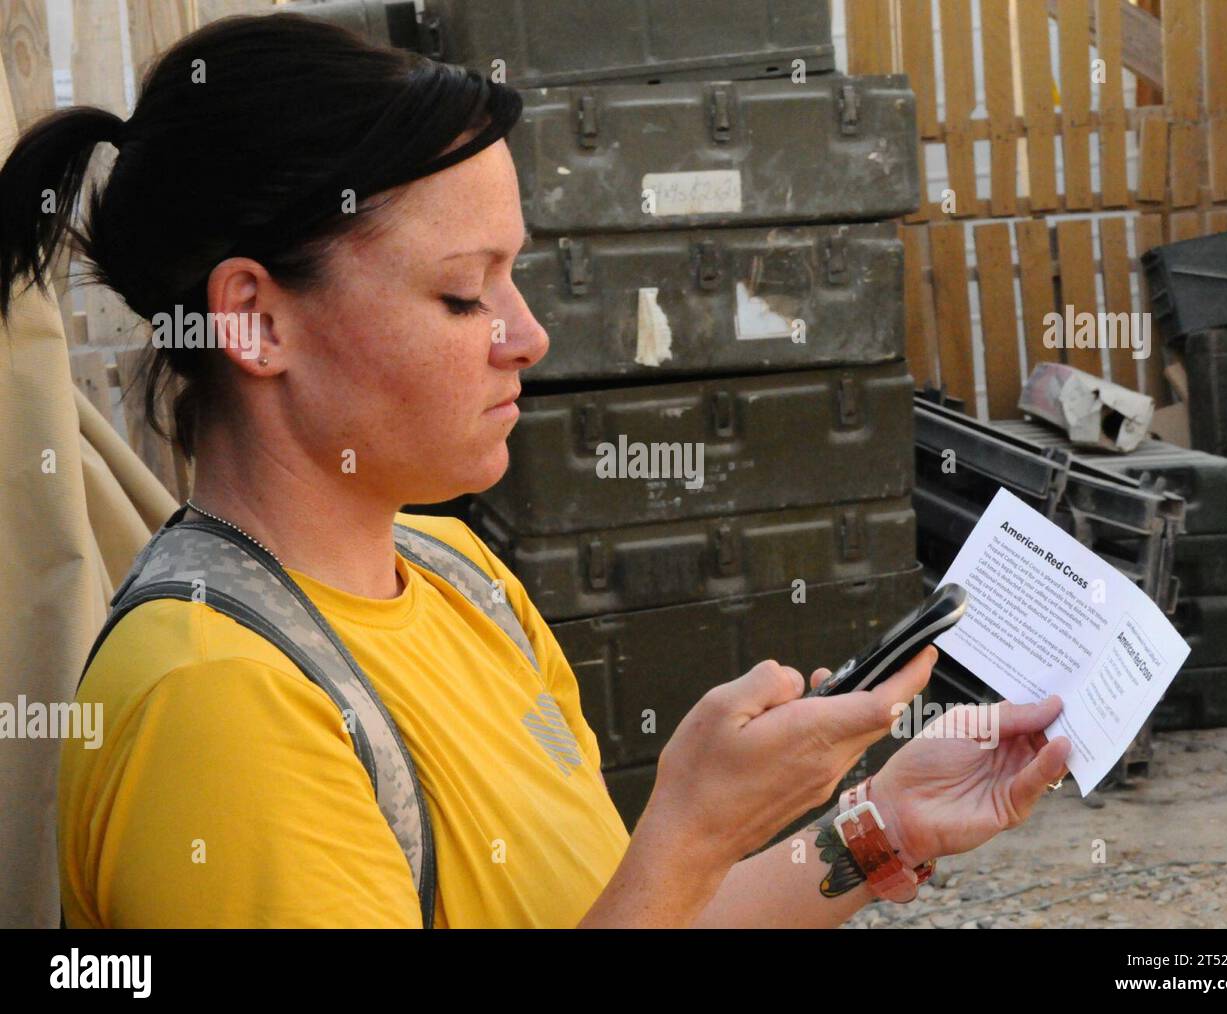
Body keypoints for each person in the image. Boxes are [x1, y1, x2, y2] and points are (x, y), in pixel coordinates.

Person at [0, 13, 1071, 929]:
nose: (526, 336)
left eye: (515, 279)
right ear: (256, 319)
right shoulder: (221, 705)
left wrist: (877, 823)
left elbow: (618, 913)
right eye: (464, 294)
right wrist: (692, 827)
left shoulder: (459, 575)